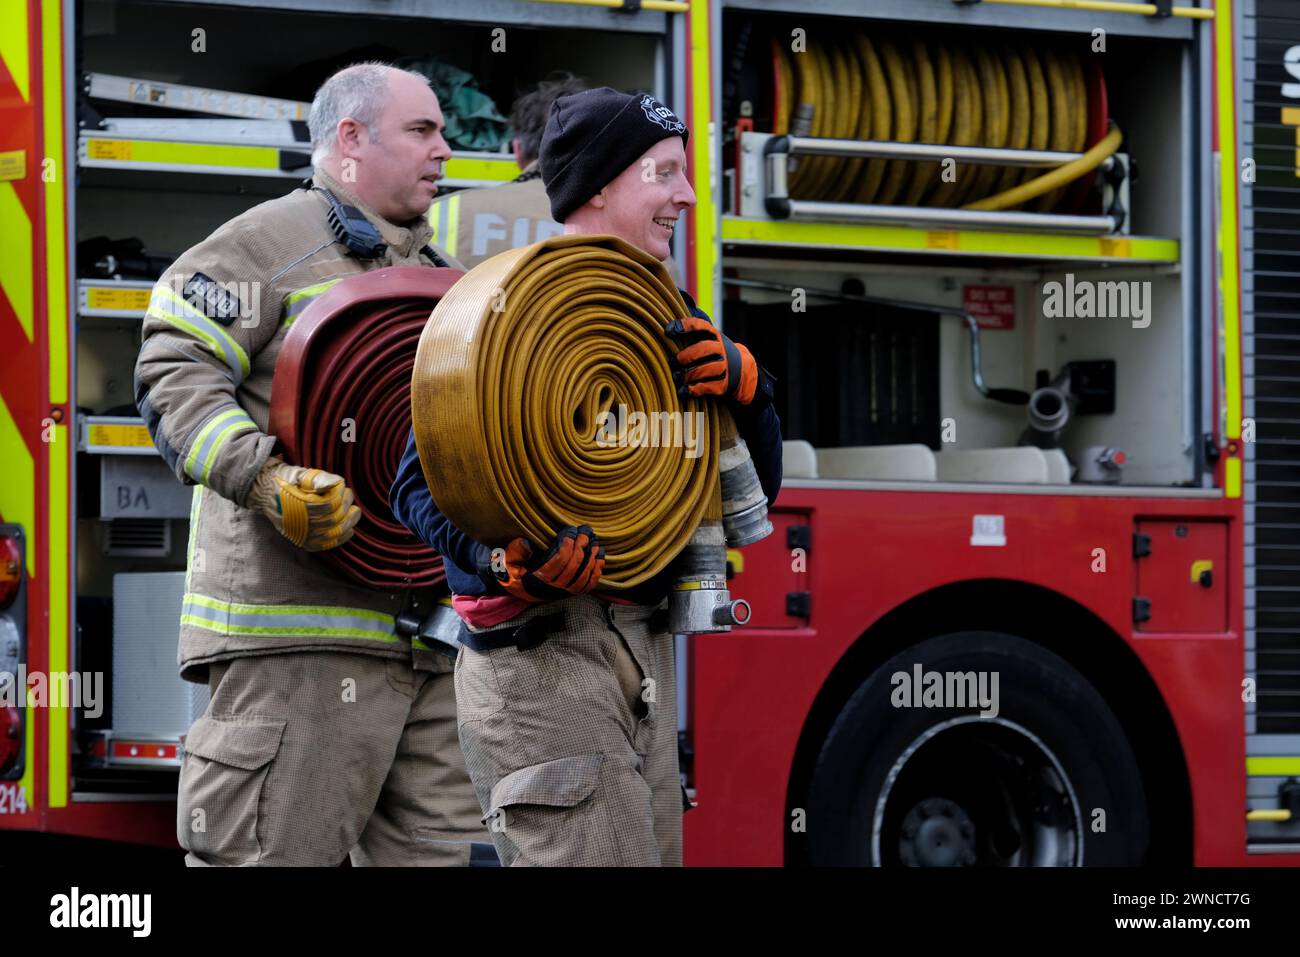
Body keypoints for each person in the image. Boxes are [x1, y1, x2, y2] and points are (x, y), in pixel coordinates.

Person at [390, 88, 782, 866]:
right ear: (601, 186)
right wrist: (505, 562)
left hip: (644, 652)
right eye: (664, 172)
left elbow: (748, 492)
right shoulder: (513, 307)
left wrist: (751, 390)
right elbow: (417, 483)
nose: (688, 195)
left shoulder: (666, 310)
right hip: (542, 659)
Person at [134, 62, 490, 866]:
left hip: (431, 651)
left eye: (442, 130)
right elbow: (174, 367)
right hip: (296, 646)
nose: (445, 149)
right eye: (422, 130)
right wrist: (263, 478)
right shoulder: (270, 243)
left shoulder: (445, 273)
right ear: (351, 139)